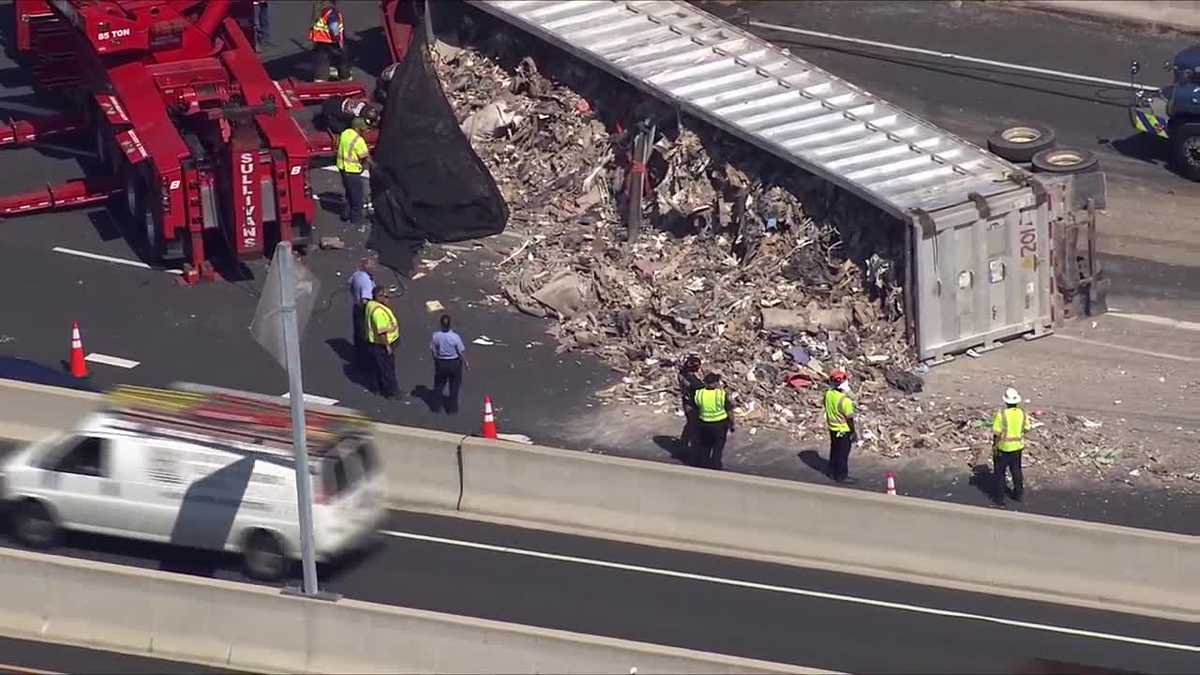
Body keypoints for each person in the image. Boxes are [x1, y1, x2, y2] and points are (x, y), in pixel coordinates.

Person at [991, 387, 1031, 506]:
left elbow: (996, 432)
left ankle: (1000, 499)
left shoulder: (1001, 415)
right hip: (1018, 447)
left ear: (1006, 401)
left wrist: (995, 446)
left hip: (1003, 448)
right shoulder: (1022, 413)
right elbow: (1027, 428)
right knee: (1016, 471)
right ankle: (1018, 495)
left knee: (1000, 473)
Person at [692, 373, 734, 470]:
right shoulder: (721, 394)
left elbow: (696, 408)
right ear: (715, 383)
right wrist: (732, 423)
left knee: (705, 446)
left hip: (704, 423)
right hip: (719, 424)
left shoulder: (699, 393)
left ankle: (704, 465)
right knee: (718, 447)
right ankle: (716, 466)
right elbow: (729, 410)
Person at [364, 286, 399, 398]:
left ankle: (381, 388)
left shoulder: (371, 305)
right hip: (382, 344)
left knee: (381, 367)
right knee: (388, 369)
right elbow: (382, 332)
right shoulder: (378, 312)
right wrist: (387, 346)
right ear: (378, 297)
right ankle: (392, 392)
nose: (388, 298)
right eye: (385, 296)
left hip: (375, 344)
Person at [430, 314, 469, 414]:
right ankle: (452, 409)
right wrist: (465, 362)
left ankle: (436, 407)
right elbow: (460, 351)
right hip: (454, 363)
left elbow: (434, 350)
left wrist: (436, 360)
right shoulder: (455, 337)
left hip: (441, 362)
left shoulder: (436, 336)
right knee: (454, 386)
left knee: (439, 385)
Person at [336, 117, 372, 225]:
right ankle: (356, 219)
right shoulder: (359, 140)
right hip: (353, 172)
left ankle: (345, 215)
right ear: (357, 128)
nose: (364, 131)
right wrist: (373, 166)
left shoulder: (345, 133)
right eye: (363, 129)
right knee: (357, 198)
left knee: (348, 194)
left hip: (342, 168)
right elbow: (365, 157)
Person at [824, 368, 857, 484]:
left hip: (832, 428)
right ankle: (841, 476)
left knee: (834, 450)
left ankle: (831, 471)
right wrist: (853, 432)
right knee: (842, 453)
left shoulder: (828, 394)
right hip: (843, 430)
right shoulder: (845, 401)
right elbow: (849, 418)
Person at [309, 0, 350, 82]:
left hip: (320, 42)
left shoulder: (319, 12)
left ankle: (320, 80)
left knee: (322, 62)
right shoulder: (331, 12)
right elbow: (334, 27)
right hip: (332, 42)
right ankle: (345, 78)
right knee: (342, 60)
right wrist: (339, 40)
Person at [348, 253, 377, 371]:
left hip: (355, 306)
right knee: (365, 336)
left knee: (358, 335)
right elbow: (366, 299)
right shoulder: (366, 282)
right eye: (373, 266)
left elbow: (349, 284)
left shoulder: (357, 274)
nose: (375, 268)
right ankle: (365, 364)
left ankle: (359, 358)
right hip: (363, 310)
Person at [677, 355, 703, 464]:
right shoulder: (691, 380)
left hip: (687, 402)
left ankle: (684, 446)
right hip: (692, 405)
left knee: (690, 426)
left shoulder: (682, 375)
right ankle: (692, 451)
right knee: (694, 427)